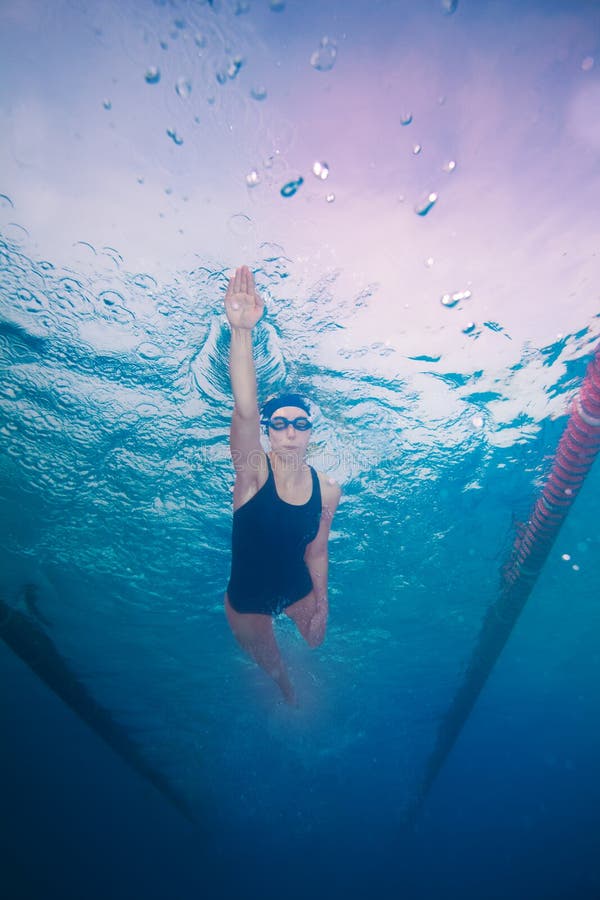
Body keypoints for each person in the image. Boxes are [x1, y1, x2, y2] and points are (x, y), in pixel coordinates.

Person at [223, 265, 341, 704]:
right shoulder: (253, 472)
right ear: (269, 432)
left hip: (295, 586)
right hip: (248, 599)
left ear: (310, 433)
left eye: (300, 424)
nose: (290, 431)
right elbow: (245, 409)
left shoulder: (328, 490)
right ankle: (287, 696)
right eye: (280, 424)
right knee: (281, 680)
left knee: (315, 640)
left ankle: (304, 674)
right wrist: (241, 331)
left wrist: (322, 601)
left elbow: (318, 550)